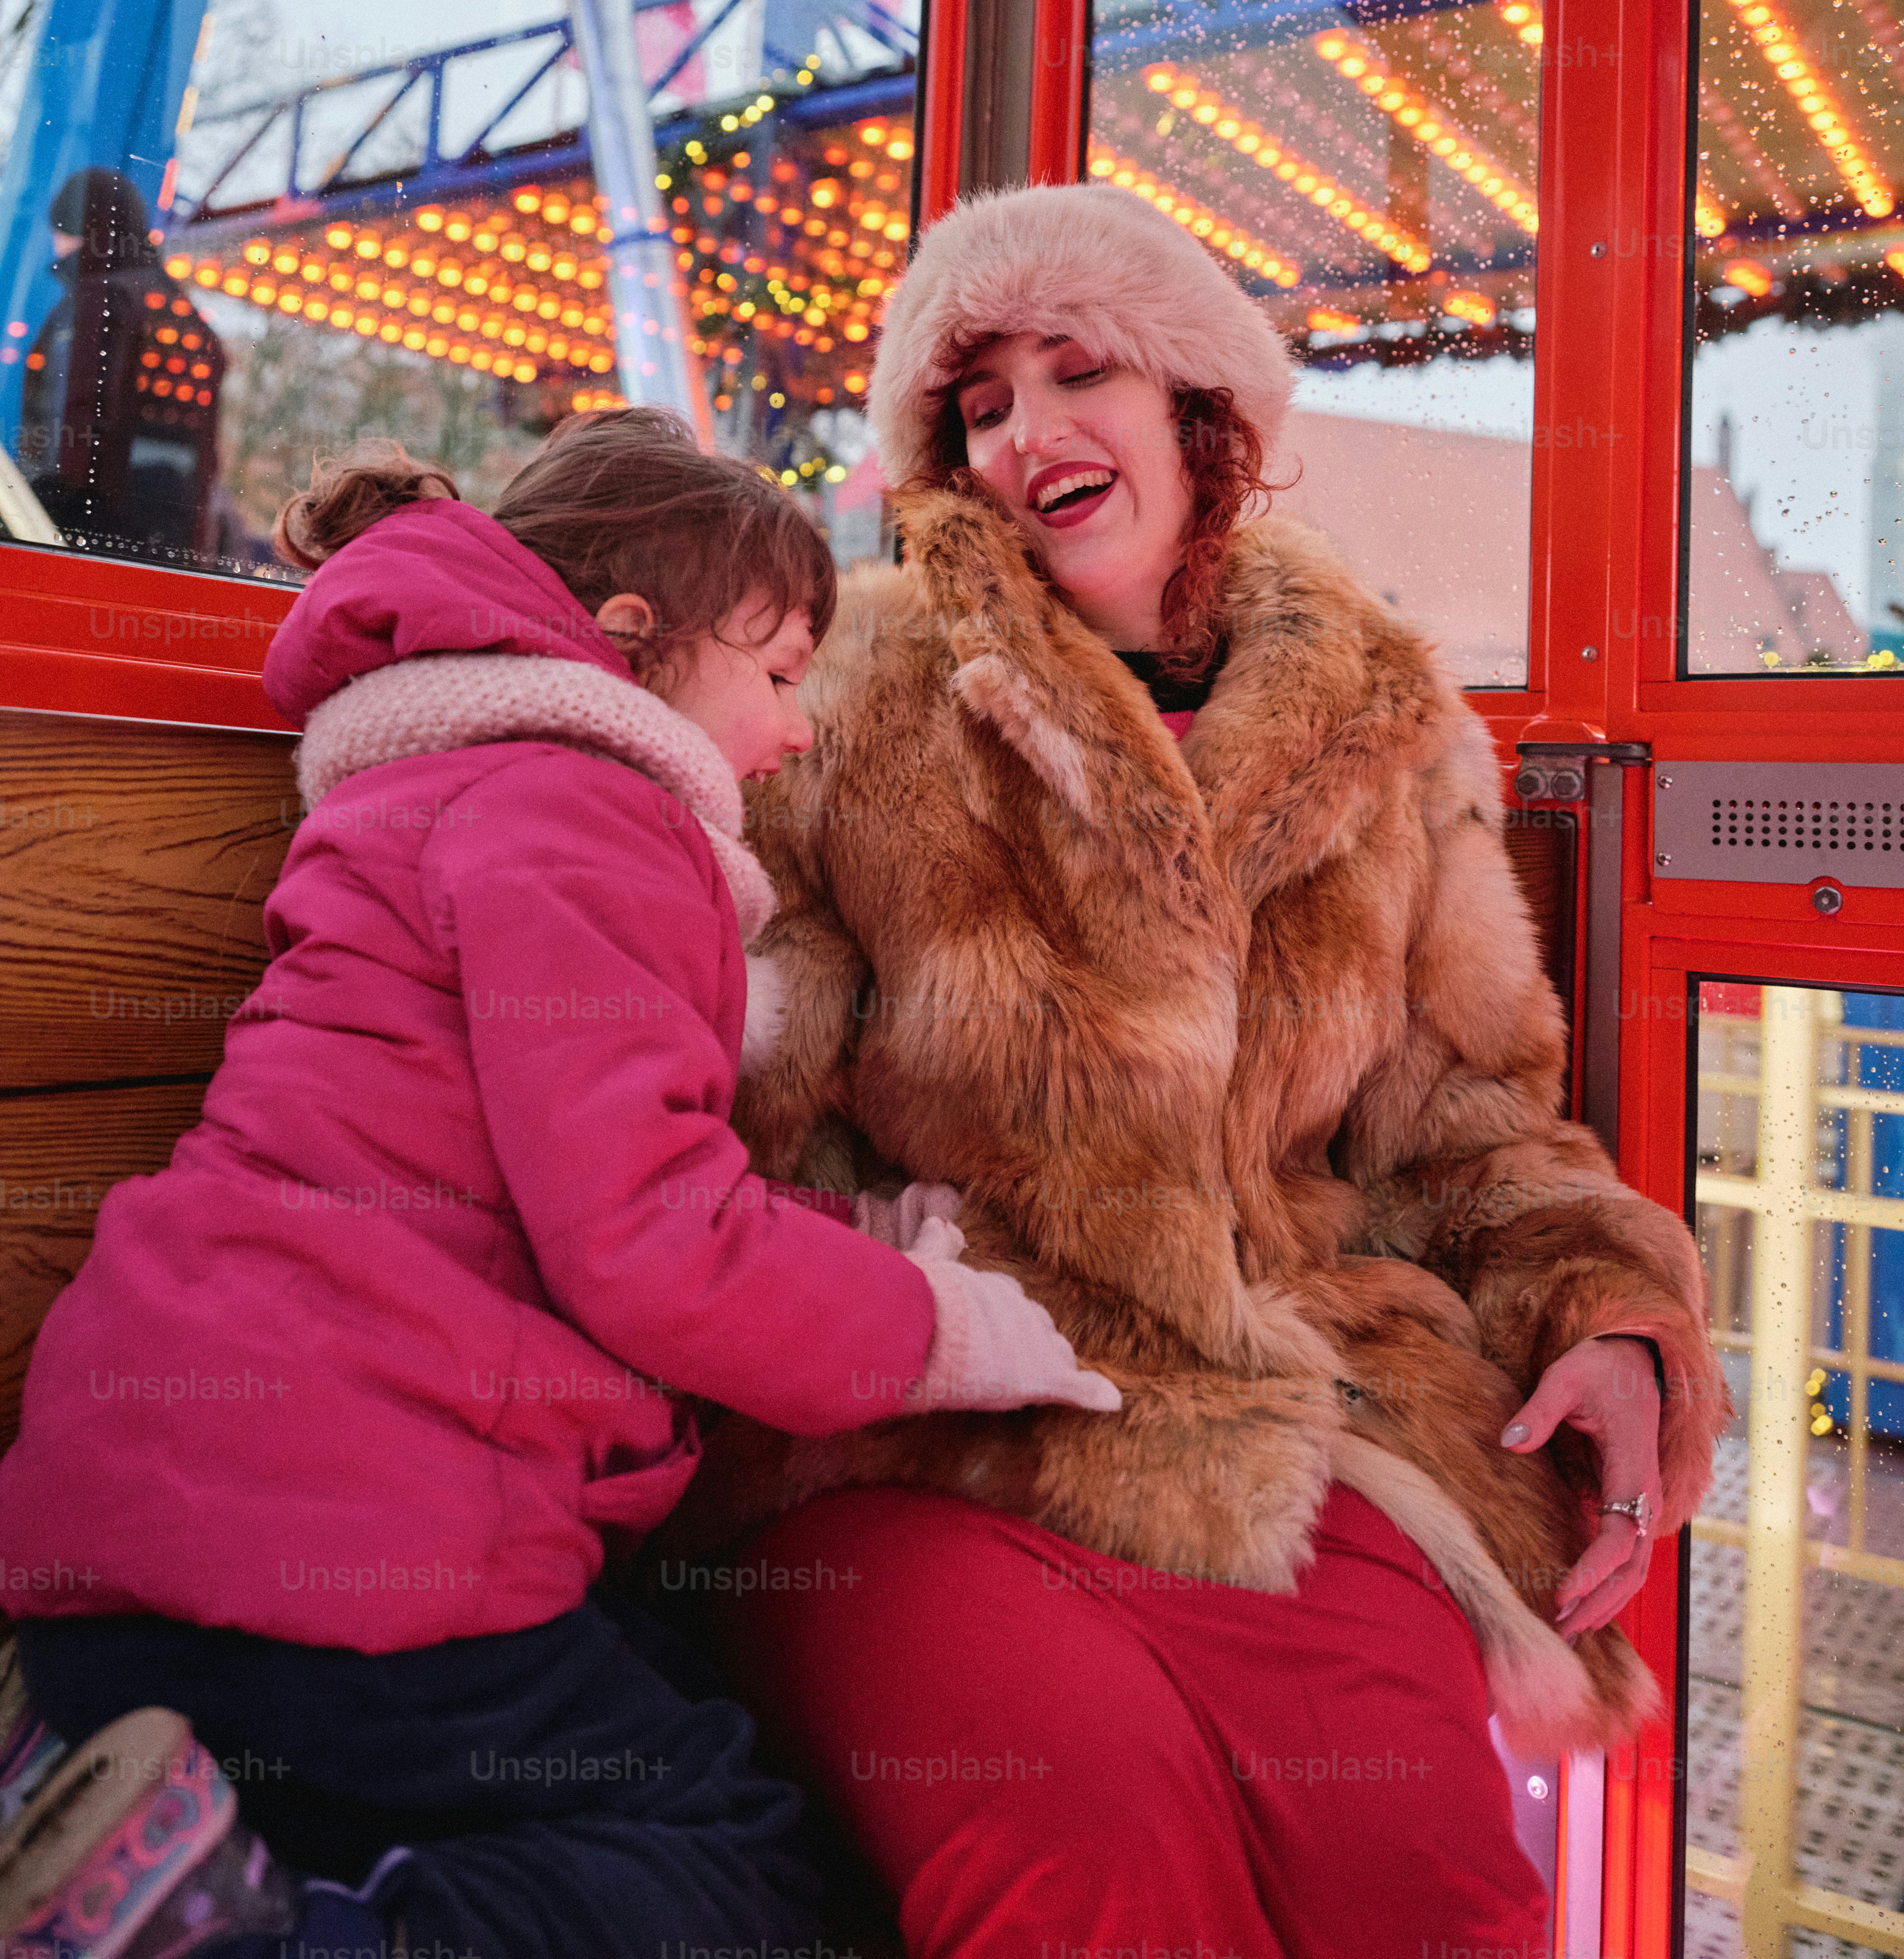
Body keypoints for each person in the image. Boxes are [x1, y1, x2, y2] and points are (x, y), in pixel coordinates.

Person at [698, 184, 1729, 1959]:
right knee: (1094, 1869)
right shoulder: (852, 690)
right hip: (926, 1444)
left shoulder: (1377, 729)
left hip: (1290, 1423)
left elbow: (1470, 1121)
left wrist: (1615, 1316)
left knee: (1436, 1896)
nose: (1024, 434)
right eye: (982, 403)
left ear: (1198, 412)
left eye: (1074, 370)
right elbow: (713, 1113)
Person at [0, 408, 1116, 1959]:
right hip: (335, 1559)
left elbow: (578, 1172)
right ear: (631, 640)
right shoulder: (588, 816)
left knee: (646, 1684)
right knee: (732, 1861)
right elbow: (654, 1248)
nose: (796, 732)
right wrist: (946, 1331)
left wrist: (862, 1250)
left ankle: (124, 1804)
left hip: (134, 1538)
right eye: (779, 674)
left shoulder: (438, 788)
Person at [17, 169, 226, 557]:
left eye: (59, 229)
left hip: (85, 531)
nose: (55, 245)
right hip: (167, 534)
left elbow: (76, 420)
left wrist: (44, 511)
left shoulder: (101, 300)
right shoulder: (179, 310)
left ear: (77, 227)